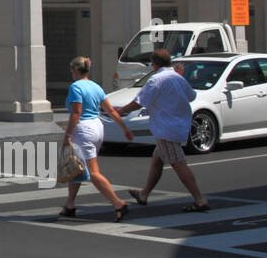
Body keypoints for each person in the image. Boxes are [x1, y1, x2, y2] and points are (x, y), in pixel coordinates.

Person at [116, 49, 211, 212]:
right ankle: (144, 194)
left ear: (154, 64)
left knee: (178, 163)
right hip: (178, 125)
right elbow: (192, 96)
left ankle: (200, 199)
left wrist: (119, 111)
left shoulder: (155, 80)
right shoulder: (177, 78)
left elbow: (139, 102)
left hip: (166, 128)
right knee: (157, 159)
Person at [60, 56, 133, 221]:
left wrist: (67, 135)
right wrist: (124, 129)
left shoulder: (75, 87)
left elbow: (76, 113)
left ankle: (118, 203)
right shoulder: (95, 86)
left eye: (72, 70)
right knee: (77, 165)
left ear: (77, 70)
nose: (71, 73)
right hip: (97, 127)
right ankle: (70, 204)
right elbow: (111, 111)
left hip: (84, 129)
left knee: (93, 172)